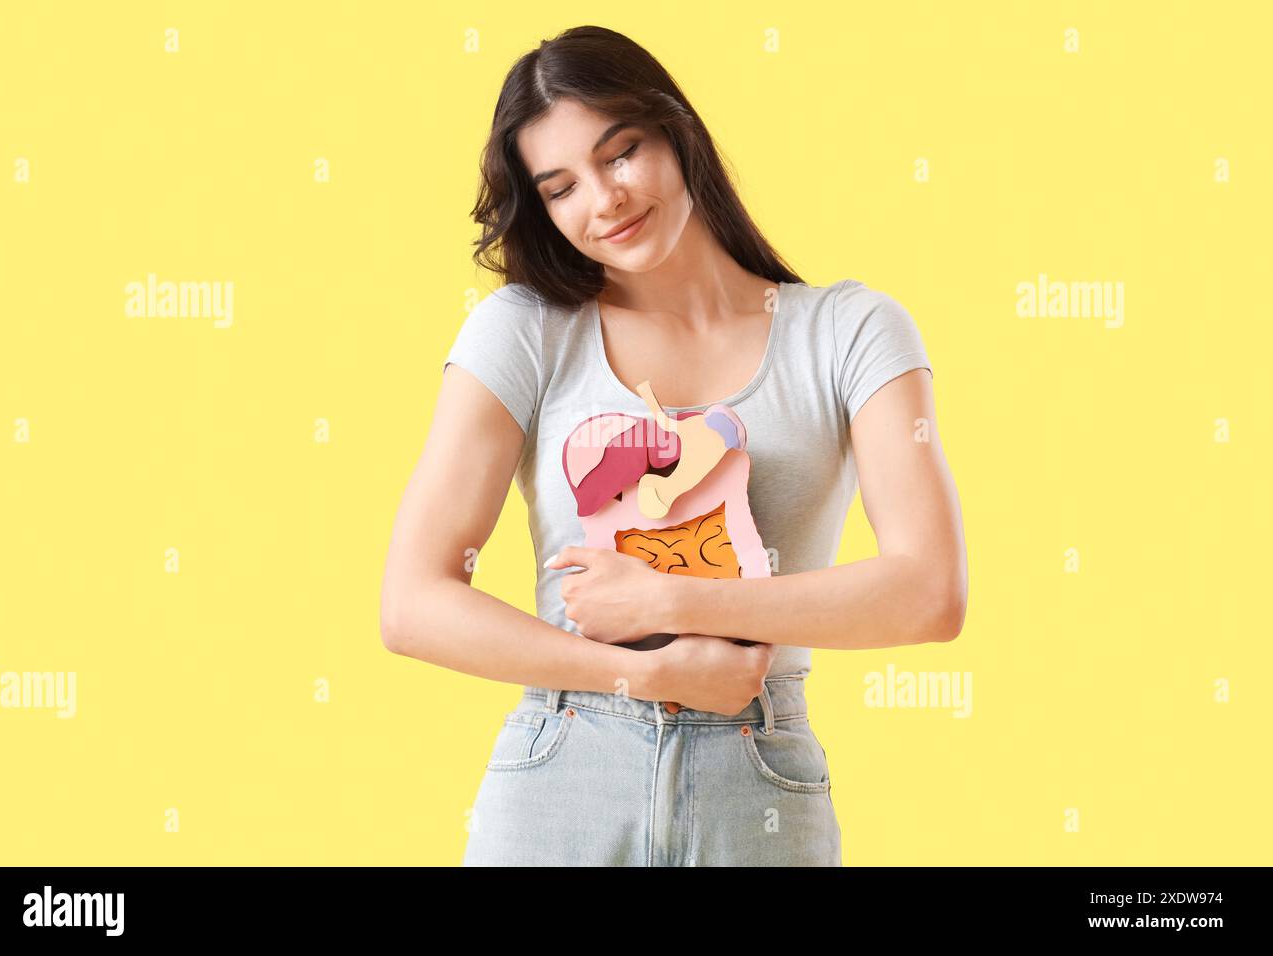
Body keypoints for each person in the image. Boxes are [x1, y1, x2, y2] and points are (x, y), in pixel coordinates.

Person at [379, 25, 967, 866]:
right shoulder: (525, 334)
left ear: (678, 131)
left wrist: (671, 603)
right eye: (560, 188)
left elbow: (928, 593)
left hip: (757, 777)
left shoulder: (850, 332)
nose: (603, 200)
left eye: (620, 154)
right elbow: (411, 605)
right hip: (562, 772)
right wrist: (645, 674)